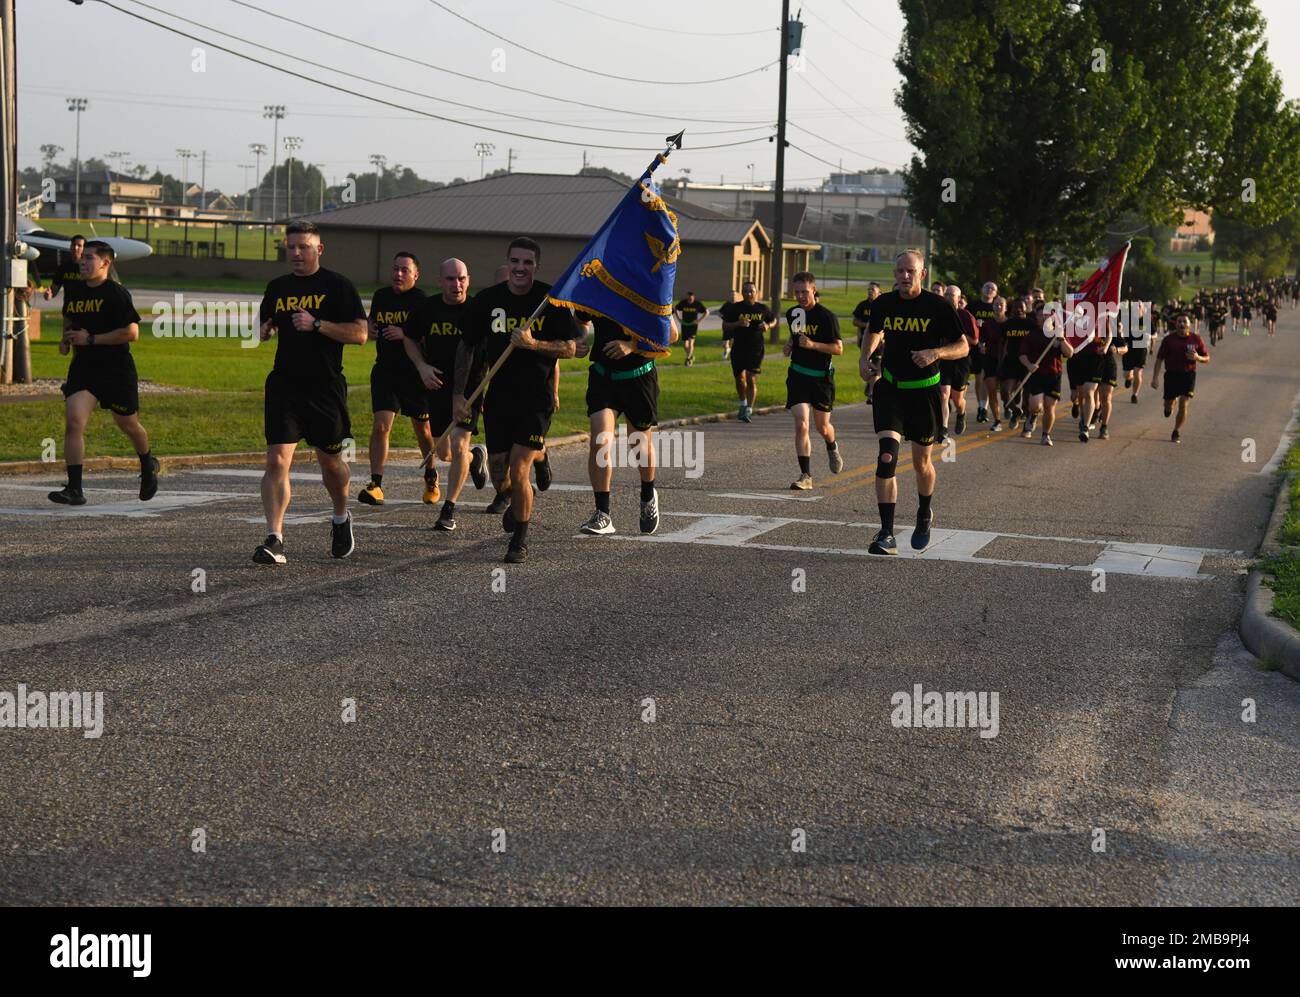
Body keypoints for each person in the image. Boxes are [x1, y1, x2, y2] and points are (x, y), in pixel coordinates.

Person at [452, 237, 586, 564]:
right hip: (499, 397)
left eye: (527, 262)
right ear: (508, 263)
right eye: (515, 261)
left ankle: (520, 540)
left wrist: (533, 344)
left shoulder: (549, 300)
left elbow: (573, 347)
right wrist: (459, 394)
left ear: (536, 266)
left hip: (535, 399)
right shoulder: (487, 300)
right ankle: (520, 492)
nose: (520, 268)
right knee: (501, 475)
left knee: (519, 467)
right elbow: (467, 347)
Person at [253, 221, 368, 564]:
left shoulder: (338, 286)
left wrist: (318, 324)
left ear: (319, 249)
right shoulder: (277, 287)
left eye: (303, 247)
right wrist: (264, 328)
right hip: (284, 384)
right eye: (291, 247)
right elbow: (266, 323)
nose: (296, 253)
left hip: (324, 387)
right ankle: (275, 538)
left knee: (331, 463)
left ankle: (340, 515)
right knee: (276, 460)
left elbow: (360, 334)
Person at [860, 249, 967, 555]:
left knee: (922, 464)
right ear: (894, 274)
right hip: (891, 388)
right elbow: (874, 330)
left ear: (922, 274)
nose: (904, 276)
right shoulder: (884, 303)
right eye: (900, 271)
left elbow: (962, 346)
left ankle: (923, 514)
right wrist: (864, 357)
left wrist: (935, 353)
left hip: (925, 392)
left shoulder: (939, 307)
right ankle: (887, 533)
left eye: (911, 271)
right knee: (886, 458)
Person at [47, 240, 158, 506]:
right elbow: (70, 317)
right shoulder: (74, 290)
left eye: (89, 258)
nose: (82, 262)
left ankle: (147, 464)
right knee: (74, 421)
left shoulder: (116, 293)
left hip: (116, 369)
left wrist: (92, 339)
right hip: (84, 368)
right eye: (81, 258)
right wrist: (66, 339)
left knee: (128, 425)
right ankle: (75, 489)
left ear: (105, 263)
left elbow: (132, 333)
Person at [402, 258, 488, 532]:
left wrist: (481, 391)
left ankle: (448, 509)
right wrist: (421, 366)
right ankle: (476, 457)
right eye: (450, 279)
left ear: (469, 280)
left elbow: (488, 353)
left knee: (459, 445)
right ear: (440, 281)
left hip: (469, 388)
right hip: (436, 384)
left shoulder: (478, 310)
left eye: (461, 278)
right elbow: (409, 337)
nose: (457, 284)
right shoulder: (427, 308)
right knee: (445, 453)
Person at [577, 306, 673, 537]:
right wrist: (579, 338)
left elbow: (671, 334)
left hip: (639, 376)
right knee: (599, 441)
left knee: (638, 442)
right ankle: (603, 513)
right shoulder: (599, 284)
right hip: (603, 376)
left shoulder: (647, 288)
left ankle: (648, 494)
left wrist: (632, 346)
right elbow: (581, 319)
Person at [357, 252, 431, 507]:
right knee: (380, 426)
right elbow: (371, 323)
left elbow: (427, 339)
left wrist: (404, 333)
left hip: (414, 374)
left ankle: (431, 475)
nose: (398, 274)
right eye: (395, 269)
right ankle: (376, 484)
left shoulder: (421, 301)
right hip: (385, 371)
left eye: (405, 271)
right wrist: (370, 328)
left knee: (423, 429)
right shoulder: (381, 296)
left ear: (415, 275)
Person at [782, 272, 843, 490]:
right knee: (801, 424)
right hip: (798, 375)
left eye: (804, 292)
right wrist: (790, 345)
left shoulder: (827, 317)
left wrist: (814, 345)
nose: (800, 296)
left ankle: (831, 445)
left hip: (821, 379)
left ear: (813, 290)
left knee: (822, 426)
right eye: (796, 292)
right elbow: (796, 335)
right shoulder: (793, 313)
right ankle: (805, 475)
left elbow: (838, 348)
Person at [1017, 300, 1074, 447]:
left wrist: (1061, 339)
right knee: (1035, 405)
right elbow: (1022, 354)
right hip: (1036, 374)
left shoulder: (1058, 334)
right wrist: (1029, 365)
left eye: (1047, 315)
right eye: (1041, 315)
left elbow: (1070, 353)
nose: (1044, 318)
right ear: (1036, 317)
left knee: (1050, 406)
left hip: (1054, 374)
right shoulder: (1031, 335)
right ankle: (1033, 415)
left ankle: (1045, 435)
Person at [718, 280, 776, 422]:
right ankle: (743, 404)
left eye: (751, 291)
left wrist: (768, 326)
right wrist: (737, 324)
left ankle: (749, 409)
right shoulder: (734, 308)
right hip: (738, 348)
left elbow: (774, 320)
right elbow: (725, 326)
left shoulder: (762, 308)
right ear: (742, 293)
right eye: (746, 291)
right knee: (740, 379)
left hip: (756, 348)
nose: (749, 293)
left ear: (756, 293)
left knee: (750, 377)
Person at [1151, 314, 1209, 443]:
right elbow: (1159, 359)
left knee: (1184, 402)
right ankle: (1169, 407)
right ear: (1176, 325)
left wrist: (1198, 358)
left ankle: (1176, 431)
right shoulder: (1168, 340)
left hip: (1188, 375)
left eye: (1185, 322)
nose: (1182, 324)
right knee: (1168, 404)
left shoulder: (1196, 339)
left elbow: (1207, 358)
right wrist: (1155, 378)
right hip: (1171, 375)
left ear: (1189, 325)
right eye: (1179, 322)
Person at [939, 285, 977, 436]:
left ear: (959, 298)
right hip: (944, 358)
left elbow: (974, 340)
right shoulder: (938, 314)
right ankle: (943, 429)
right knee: (943, 394)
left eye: (952, 295)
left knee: (957, 399)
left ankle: (961, 413)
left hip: (961, 360)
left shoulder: (966, 316)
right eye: (946, 294)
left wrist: (958, 335)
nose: (948, 297)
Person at [997, 298, 1036, 429]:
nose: (1018, 309)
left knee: (1027, 395)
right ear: (1011, 310)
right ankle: (1015, 410)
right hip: (1011, 362)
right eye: (1016, 307)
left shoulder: (1032, 324)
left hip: (1027, 362)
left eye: (1021, 307)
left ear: (1026, 308)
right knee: (1004, 392)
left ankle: (1027, 414)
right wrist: (1000, 363)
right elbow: (1002, 345)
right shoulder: (1007, 325)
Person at [968, 281, 999, 422]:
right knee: (979, 378)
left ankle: (983, 408)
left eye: (992, 288)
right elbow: (966, 322)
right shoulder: (973, 306)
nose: (989, 289)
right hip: (976, 346)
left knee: (986, 378)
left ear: (996, 293)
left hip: (991, 348)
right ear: (981, 289)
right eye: (986, 287)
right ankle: (981, 407)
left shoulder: (997, 306)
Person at [979, 296, 1007, 431]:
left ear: (1006, 307)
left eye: (1001, 304)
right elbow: (981, 341)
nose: (998, 307)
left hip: (1008, 361)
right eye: (996, 304)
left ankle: (1010, 406)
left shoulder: (1011, 324)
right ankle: (997, 420)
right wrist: (981, 345)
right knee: (991, 389)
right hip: (990, 359)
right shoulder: (987, 325)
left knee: (1006, 391)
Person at [851, 281, 883, 400]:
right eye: (868, 290)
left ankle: (871, 393)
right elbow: (855, 321)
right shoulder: (862, 305)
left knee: (877, 367)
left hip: (879, 343)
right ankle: (871, 386)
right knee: (869, 366)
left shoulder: (881, 306)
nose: (870, 292)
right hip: (865, 342)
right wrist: (867, 325)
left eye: (872, 290)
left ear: (879, 293)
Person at [42, 234, 86, 301]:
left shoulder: (89, 267)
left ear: (84, 249)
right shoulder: (63, 267)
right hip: (69, 308)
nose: (75, 248)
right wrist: (49, 295)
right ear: (70, 246)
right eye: (74, 244)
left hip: (86, 308)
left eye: (79, 245)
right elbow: (55, 288)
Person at [673, 292, 708, 366]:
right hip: (685, 325)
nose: (689, 299)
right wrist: (679, 319)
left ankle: (688, 359)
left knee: (691, 342)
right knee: (685, 345)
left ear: (694, 297)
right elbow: (675, 309)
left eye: (691, 298)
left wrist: (699, 320)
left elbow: (707, 312)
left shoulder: (697, 304)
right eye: (688, 298)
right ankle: (691, 355)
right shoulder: (683, 303)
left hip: (693, 326)